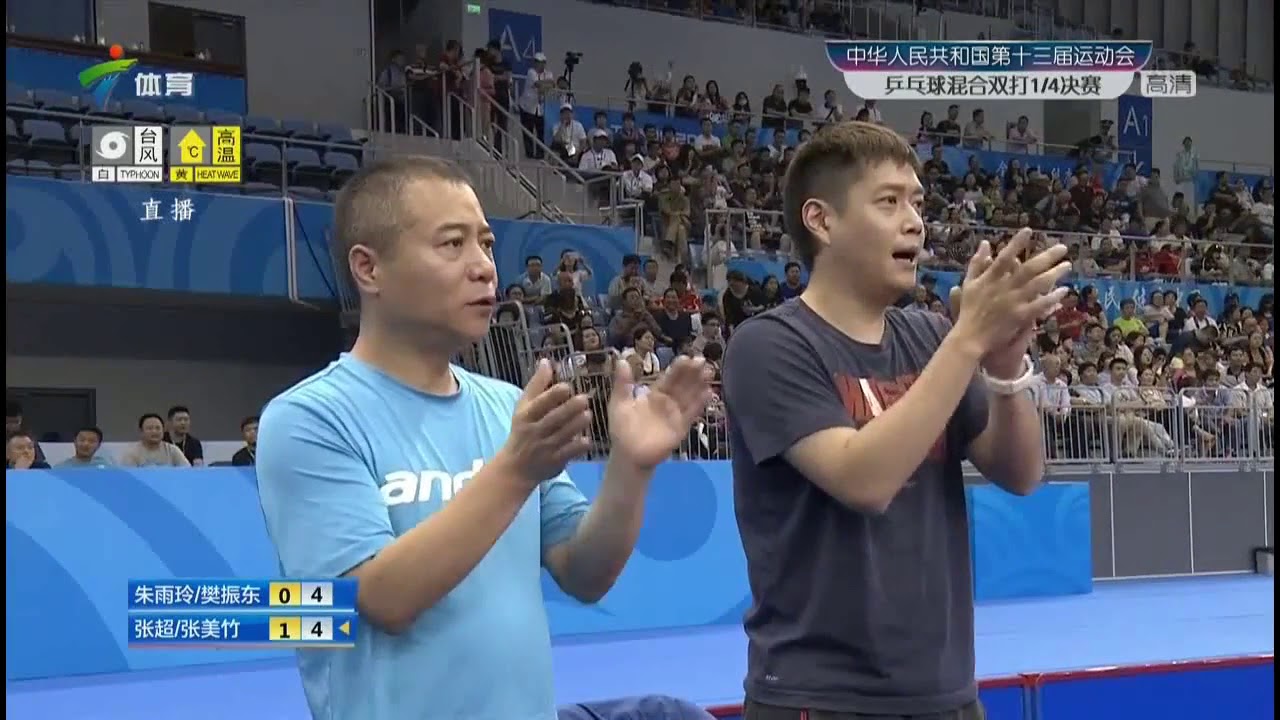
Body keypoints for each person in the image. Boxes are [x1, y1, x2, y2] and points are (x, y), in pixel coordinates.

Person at [254, 157, 712, 720]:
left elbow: (584, 572)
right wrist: (515, 471)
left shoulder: (503, 407)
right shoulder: (309, 419)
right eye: (452, 245)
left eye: (488, 244)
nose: (484, 268)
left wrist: (631, 467)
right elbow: (382, 600)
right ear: (368, 269)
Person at [721, 122, 1071, 720]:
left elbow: (1020, 473)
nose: (915, 221)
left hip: (947, 694)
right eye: (889, 202)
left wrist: (1008, 368)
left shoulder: (931, 337)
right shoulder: (768, 347)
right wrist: (968, 340)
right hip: (820, 699)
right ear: (822, 221)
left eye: (918, 203)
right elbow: (863, 479)